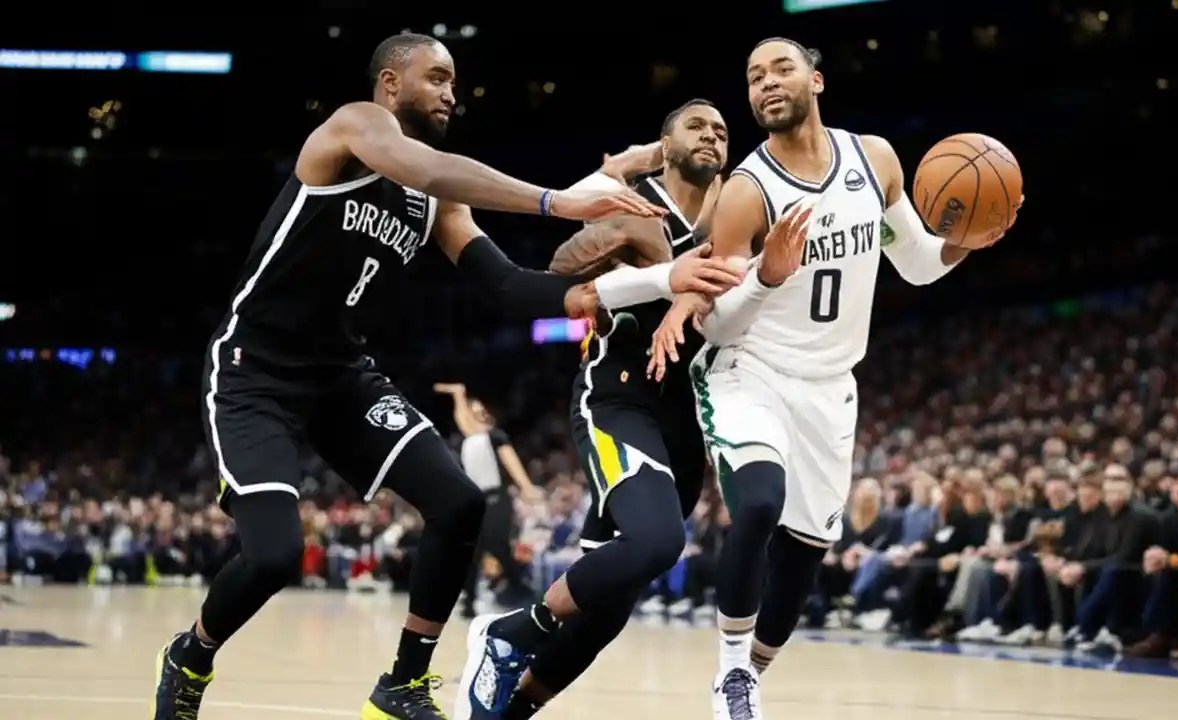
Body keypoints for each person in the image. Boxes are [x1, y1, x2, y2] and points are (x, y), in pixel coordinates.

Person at [150, 32, 741, 720]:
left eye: (455, 83)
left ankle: (402, 681)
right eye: (437, 78)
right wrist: (557, 201)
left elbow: (511, 287)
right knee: (277, 554)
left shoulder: (435, 207)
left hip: (342, 375)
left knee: (461, 502)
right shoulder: (355, 127)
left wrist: (599, 294)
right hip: (258, 369)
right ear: (391, 83)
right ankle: (191, 653)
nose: (451, 93)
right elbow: (425, 168)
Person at [647, 37, 1019, 718]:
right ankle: (729, 674)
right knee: (757, 504)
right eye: (754, 75)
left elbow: (917, 263)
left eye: (780, 68)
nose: (766, 82)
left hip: (830, 387)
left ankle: (754, 672)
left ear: (816, 80)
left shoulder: (873, 160)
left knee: (803, 557)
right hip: (749, 369)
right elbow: (716, 323)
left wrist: (967, 242)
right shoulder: (746, 193)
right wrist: (766, 276)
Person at [453, 98, 788, 720]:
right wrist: (629, 233)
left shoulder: (740, 211)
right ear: (667, 142)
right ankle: (508, 633)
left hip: (691, 418)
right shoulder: (638, 209)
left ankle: (506, 711)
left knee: (607, 608)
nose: (712, 135)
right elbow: (558, 269)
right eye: (696, 126)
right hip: (619, 398)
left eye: (721, 129)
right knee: (659, 539)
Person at [434, 383, 540, 616]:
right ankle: (470, 600)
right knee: (472, 553)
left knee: (499, 547)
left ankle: (523, 592)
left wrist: (526, 486)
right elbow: (462, 419)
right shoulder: (470, 438)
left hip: (497, 499)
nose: (472, 416)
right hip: (477, 501)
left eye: (478, 411)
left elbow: (510, 460)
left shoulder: (495, 436)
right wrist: (459, 396)